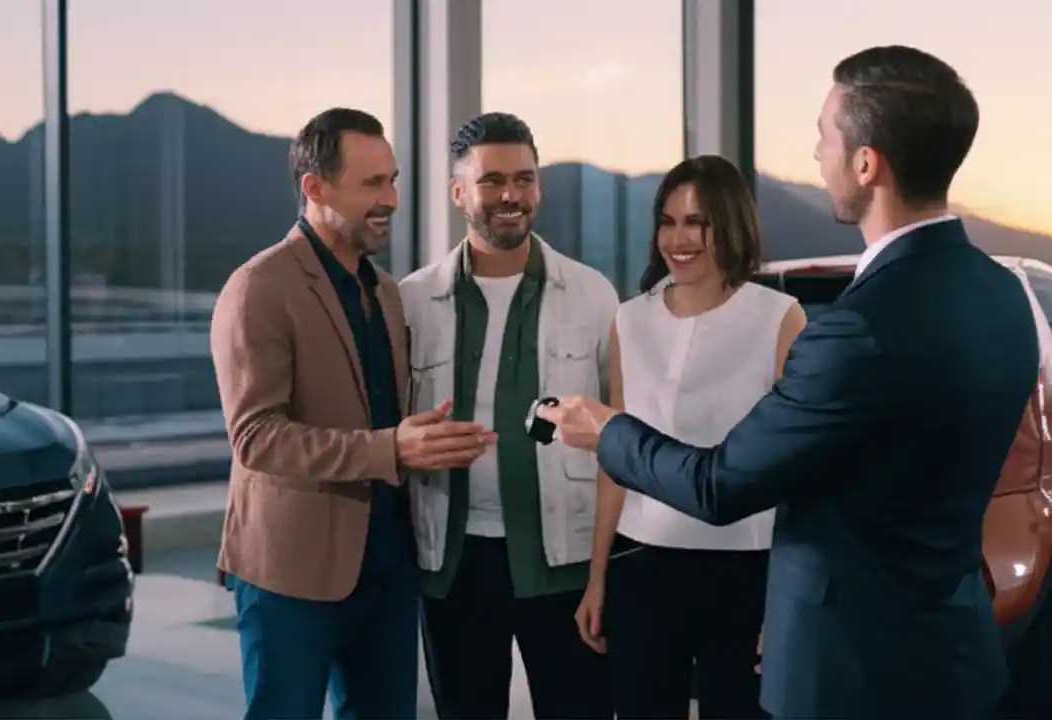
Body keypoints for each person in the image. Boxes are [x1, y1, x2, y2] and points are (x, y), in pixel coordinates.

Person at [538, 45, 1036, 720]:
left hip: (853, 672)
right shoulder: (1003, 297)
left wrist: (605, 430)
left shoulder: (853, 330)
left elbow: (719, 486)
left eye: (824, 134)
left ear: (867, 162)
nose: (815, 153)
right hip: (955, 658)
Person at [210, 107, 496, 720]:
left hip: (389, 570)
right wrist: (391, 449)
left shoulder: (387, 293)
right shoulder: (259, 287)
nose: (390, 199)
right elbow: (256, 438)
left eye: (392, 181)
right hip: (291, 574)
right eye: (372, 184)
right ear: (314, 188)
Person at [399, 112, 618, 719]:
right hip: (454, 563)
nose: (510, 196)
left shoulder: (593, 294)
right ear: (459, 192)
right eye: (492, 181)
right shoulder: (413, 300)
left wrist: (604, 575)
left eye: (524, 179)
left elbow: (617, 445)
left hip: (564, 563)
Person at [572, 154, 805, 719]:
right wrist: (597, 577)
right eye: (668, 221)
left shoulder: (780, 318)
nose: (679, 238)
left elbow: (800, 475)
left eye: (697, 222)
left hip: (745, 573)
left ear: (731, 224)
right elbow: (615, 457)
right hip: (641, 568)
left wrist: (787, 604)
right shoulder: (630, 319)